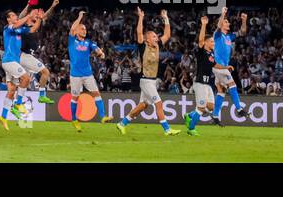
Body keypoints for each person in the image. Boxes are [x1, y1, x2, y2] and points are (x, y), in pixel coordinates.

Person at [115, 8, 180, 137]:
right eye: (154, 36)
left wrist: (166, 18)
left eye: (157, 36)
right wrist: (140, 17)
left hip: (153, 81)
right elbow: (139, 32)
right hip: (146, 81)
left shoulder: (157, 46)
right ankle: (167, 129)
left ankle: (122, 123)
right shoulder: (143, 46)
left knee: (143, 105)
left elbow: (167, 35)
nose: (157, 38)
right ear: (147, 39)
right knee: (159, 103)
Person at [66, 10, 106, 131]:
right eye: (82, 29)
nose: (85, 30)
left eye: (85, 29)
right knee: (75, 97)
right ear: (77, 31)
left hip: (87, 74)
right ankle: (74, 120)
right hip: (75, 75)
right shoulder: (72, 41)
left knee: (96, 94)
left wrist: (101, 54)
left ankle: (103, 116)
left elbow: (98, 50)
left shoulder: (89, 43)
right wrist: (79, 17)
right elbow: (72, 28)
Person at [186, 14, 216, 135]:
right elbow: (200, 40)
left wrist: (226, 68)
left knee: (211, 107)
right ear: (206, 43)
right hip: (199, 83)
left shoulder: (211, 54)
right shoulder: (201, 52)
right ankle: (191, 129)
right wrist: (204, 25)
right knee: (201, 108)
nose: (213, 43)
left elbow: (215, 65)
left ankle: (189, 115)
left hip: (208, 84)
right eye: (212, 41)